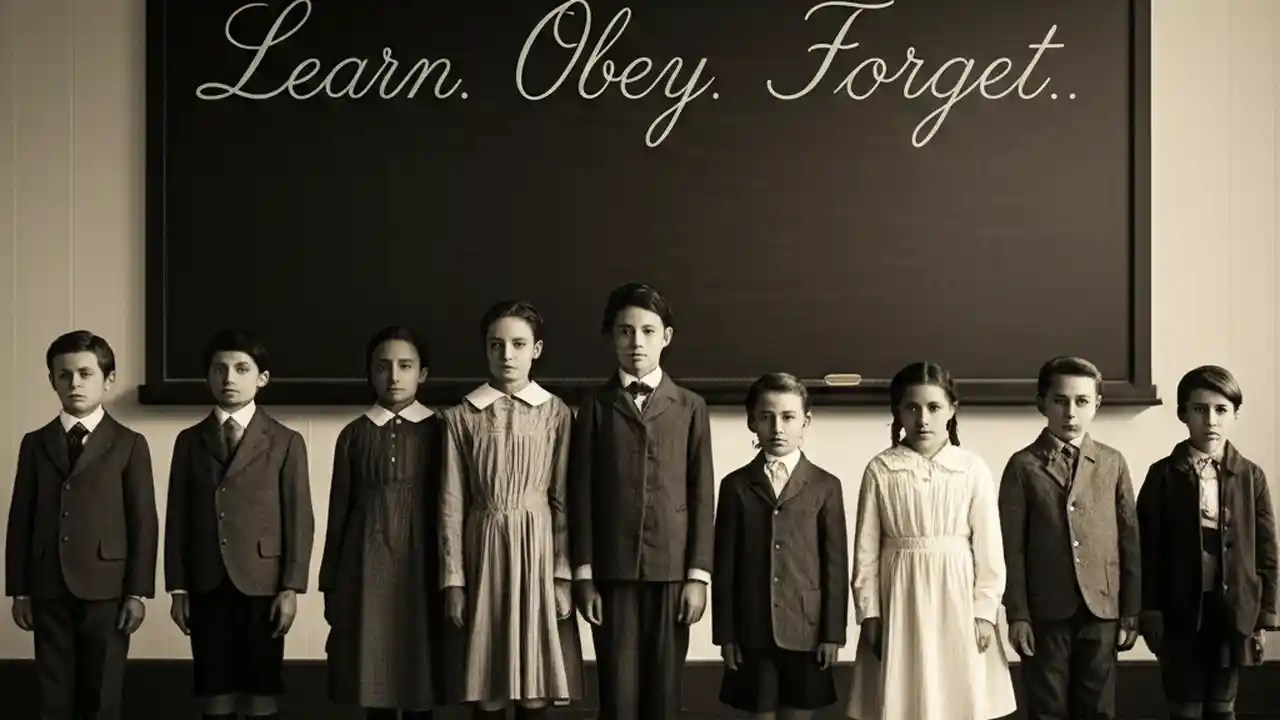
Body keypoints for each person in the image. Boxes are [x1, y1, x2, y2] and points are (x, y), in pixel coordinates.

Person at [568, 282, 715, 720]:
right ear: (610, 337)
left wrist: (698, 576)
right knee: (617, 694)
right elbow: (581, 494)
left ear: (666, 337)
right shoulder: (593, 406)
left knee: (665, 695)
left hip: (672, 572)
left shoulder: (690, 406)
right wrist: (584, 574)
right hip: (611, 574)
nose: (637, 342)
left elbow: (702, 494)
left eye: (648, 331)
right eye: (625, 331)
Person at [846, 361, 1016, 720]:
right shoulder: (881, 469)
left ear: (952, 410)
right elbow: (866, 551)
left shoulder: (971, 468)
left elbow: (989, 548)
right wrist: (870, 613)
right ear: (898, 412)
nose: (922, 419)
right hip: (900, 597)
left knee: (957, 692)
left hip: (956, 595)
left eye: (934, 407)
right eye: (912, 407)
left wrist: (984, 612)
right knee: (904, 693)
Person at [5, 330, 158, 720]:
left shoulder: (129, 443)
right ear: (52, 380)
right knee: (52, 691)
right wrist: (19, 589)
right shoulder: (35, 443)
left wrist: (137, 593)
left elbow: (143, 521)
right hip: (47, 584)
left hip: (108, 587)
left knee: (102, 692)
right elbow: (20, 517)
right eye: (64, 374)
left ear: (107, 380)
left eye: (86, 374)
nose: (74, 383)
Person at [164, 329, 315, 720]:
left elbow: (300, 519)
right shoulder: (188, 441)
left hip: (263, 584)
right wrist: (178, 587)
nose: (229, 378)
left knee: (262, 688)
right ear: (208, 377)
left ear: (261, 378)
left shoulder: (285, 441)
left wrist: (291, 587)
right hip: (205, 581)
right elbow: (177, 518)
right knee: (214, 688)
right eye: (219, 369)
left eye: (241, 369)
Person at [1137, 365, 1278, 720]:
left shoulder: (1250, 476)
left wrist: (1265, 613)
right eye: (1200, 409)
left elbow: (1266, 549)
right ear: (1183, 414)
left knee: (1222, 703)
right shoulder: (1163, 475)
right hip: (1179, 610)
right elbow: (1146, 548)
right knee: (1184, 703)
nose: (1210, 420)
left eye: (1221, 410)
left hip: (1233, 610)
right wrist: (1148, 608)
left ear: (1235, 414)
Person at [712, 372, 848, 720]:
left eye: (788, 417)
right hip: (751, 630)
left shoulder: (825, 486)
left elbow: (835, 566)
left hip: (807, 630)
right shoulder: (735, 485)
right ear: (751, 422)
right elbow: (724, 567)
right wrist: (726, 635)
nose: (777, 427)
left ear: (806, 420)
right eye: (766, 416)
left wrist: (832, 634)